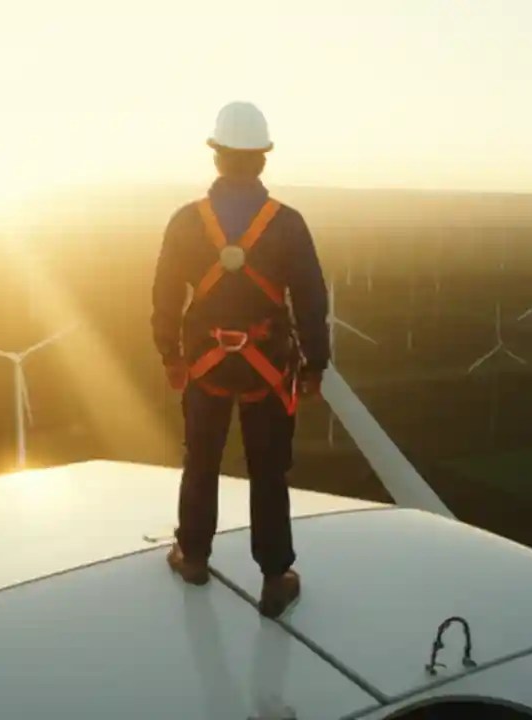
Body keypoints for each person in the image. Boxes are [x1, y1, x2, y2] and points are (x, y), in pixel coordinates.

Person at [150, 101, 330, 618]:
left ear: (216, 157)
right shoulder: (288, 225)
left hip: (204, 365)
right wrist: (315, 364)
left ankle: (193, 556)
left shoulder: (186, 222)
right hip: (268, 369)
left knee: (201, 461)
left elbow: (164, 293)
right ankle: (275, 577)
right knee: (269, 471)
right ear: (262, 159)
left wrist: (170, 354)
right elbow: (312, 298)